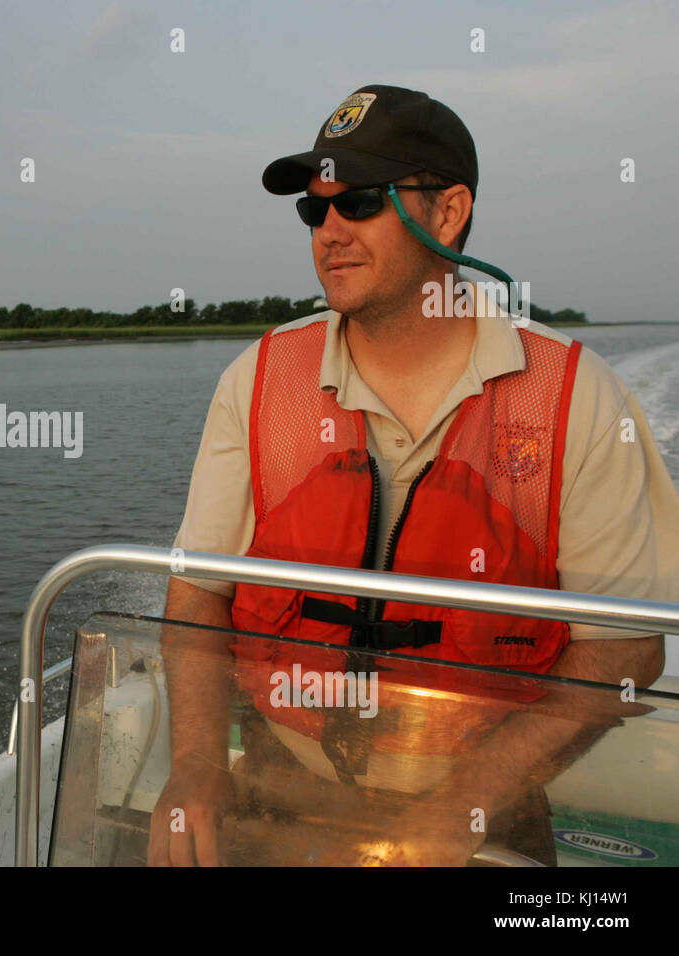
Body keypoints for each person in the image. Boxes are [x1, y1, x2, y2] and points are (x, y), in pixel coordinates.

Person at [149, 84, 679, 867]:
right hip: (284, 784)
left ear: (449, 210)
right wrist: (195, 764)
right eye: (313, 208)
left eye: (358, 200)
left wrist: (459, 809)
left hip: (486, 803)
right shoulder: (256, 382)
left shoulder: (575, 397)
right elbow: (198, 597)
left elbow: (623, 654)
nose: (328, 230)